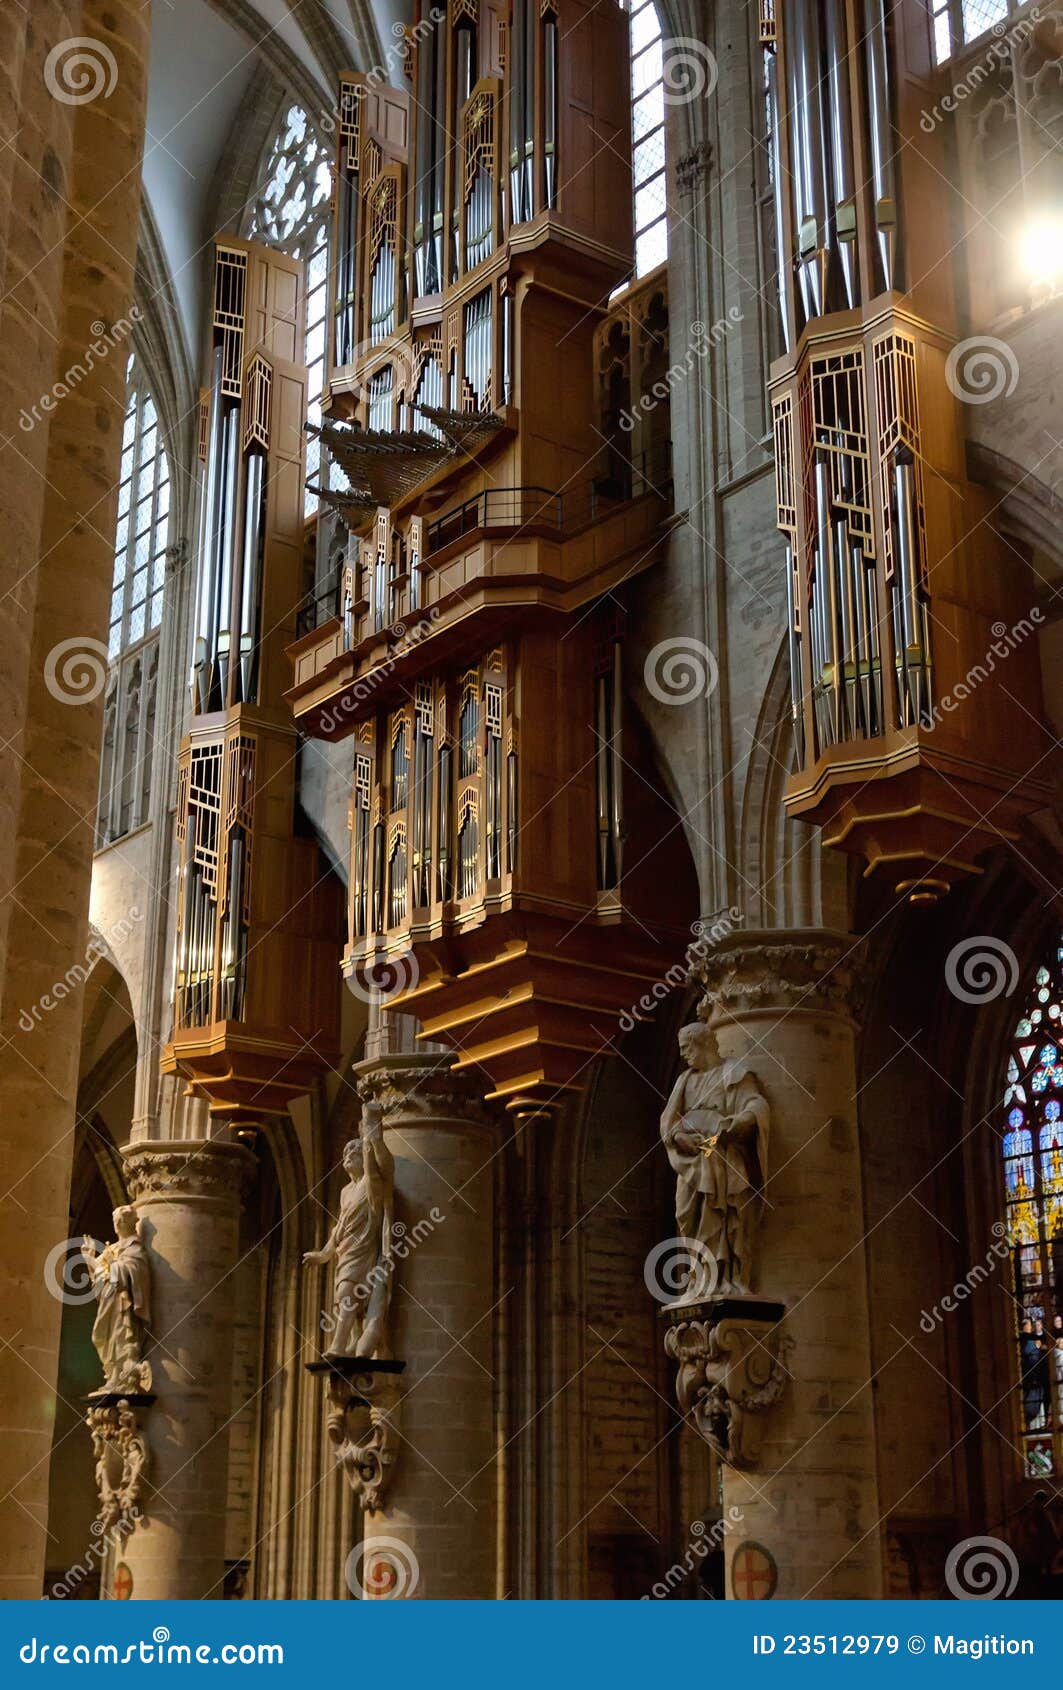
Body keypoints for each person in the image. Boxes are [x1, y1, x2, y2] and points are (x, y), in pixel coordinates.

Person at [659, 1021, 770, 1297]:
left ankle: (726, 1276)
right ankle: (699, 1279)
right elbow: (668, 1121)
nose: (683, 1055)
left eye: (687, 1048)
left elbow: (755, 1105)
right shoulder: (685, 1080)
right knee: (686, 1214)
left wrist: (738, 1123)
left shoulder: (734, 1073)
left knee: (723, 1214)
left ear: (705, 1044)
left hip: (720, 1153)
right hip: (692, 1158)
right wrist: (678, 1136)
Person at [303, 1103, 395, 1358]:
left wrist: (370, 1137)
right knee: (347, 1299)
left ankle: (337, 1345)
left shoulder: (370, 1183)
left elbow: (378, 1167)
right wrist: (323, 1254)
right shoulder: (345, 1192)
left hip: (363, 1247)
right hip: (346, 1250)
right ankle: (354, 1339)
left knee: (347, 1293)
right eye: (345, 1152)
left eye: (353, 1150)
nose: (348, 1154)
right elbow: (339, 1228)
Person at [82, 1206, 152, 1393]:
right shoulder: (112, 1248)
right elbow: (99, 1276)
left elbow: (133, 1272)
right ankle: (112, 1374)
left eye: (120, 1220)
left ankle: (119, 1377)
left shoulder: (134, 1247)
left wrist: (113, 1268)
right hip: (108, 1300)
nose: (117, 1224)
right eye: (115, 1220)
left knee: (120, 1337)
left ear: (129, 1223)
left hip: (123, 1303)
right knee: (100, 1336)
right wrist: (89, 1258)